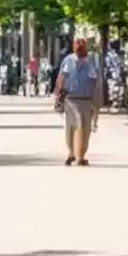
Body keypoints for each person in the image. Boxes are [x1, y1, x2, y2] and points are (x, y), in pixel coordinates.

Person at [54, 38, 100, 166]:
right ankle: (72, 153)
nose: (80, 53)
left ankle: (81, 155)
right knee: (74, 126)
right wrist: (58, 95)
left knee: (86, 128)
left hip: (86, 99)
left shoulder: (90, 62)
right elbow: (61, 78)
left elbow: (95, 81)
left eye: (82, 50)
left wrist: (96, 101)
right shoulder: (69, 60)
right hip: (71, 99)